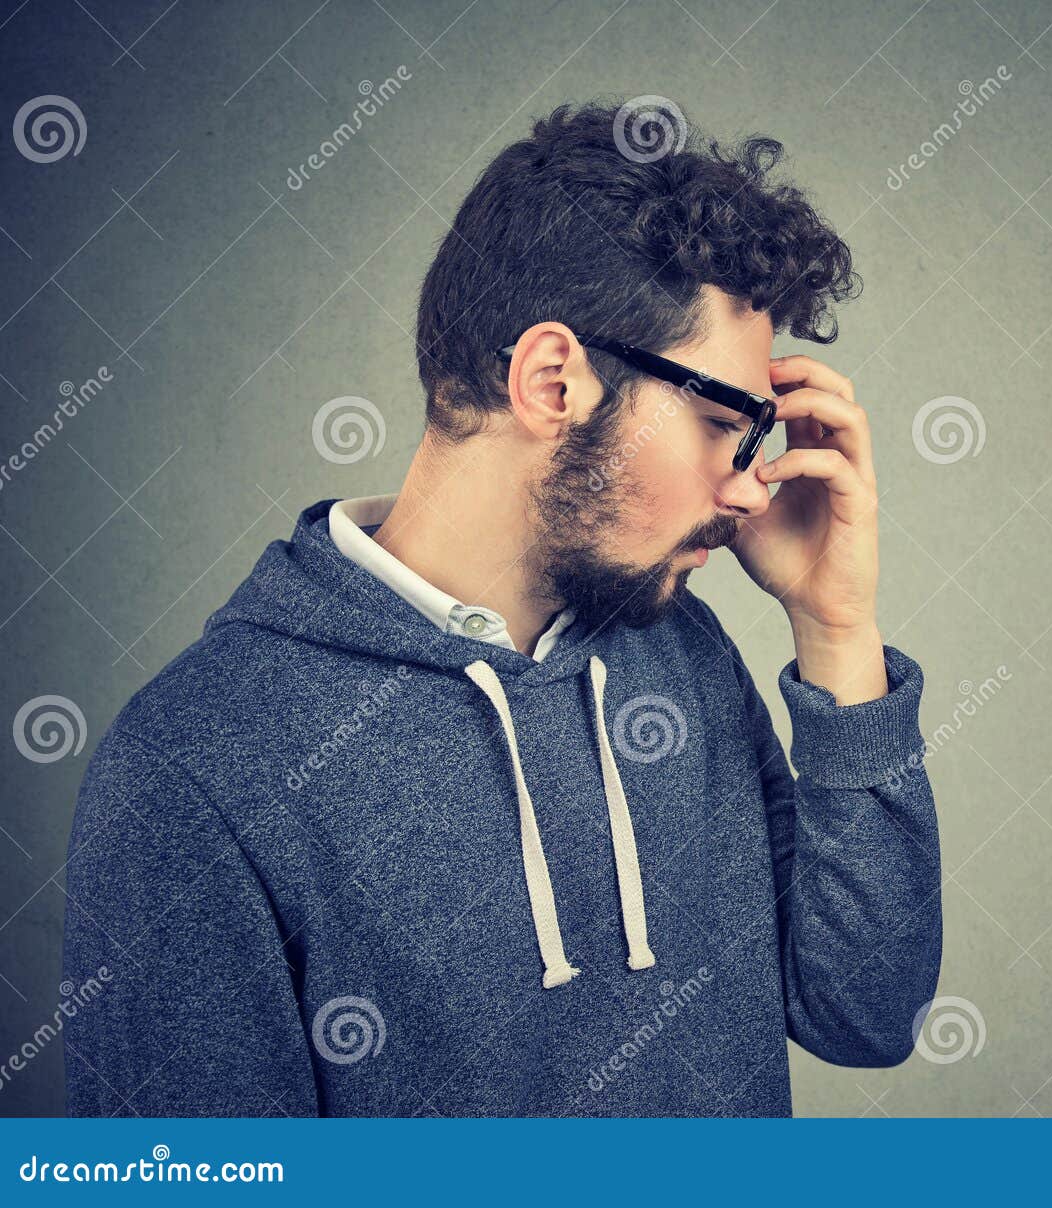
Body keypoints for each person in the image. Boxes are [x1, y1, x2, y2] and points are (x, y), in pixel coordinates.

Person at [61, 100, 943, 1117]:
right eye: (718, 424)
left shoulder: (678, 649)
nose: (749, 484)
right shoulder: (197, 762)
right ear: (551, 379)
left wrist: (835, 629)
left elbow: (865, 1010)